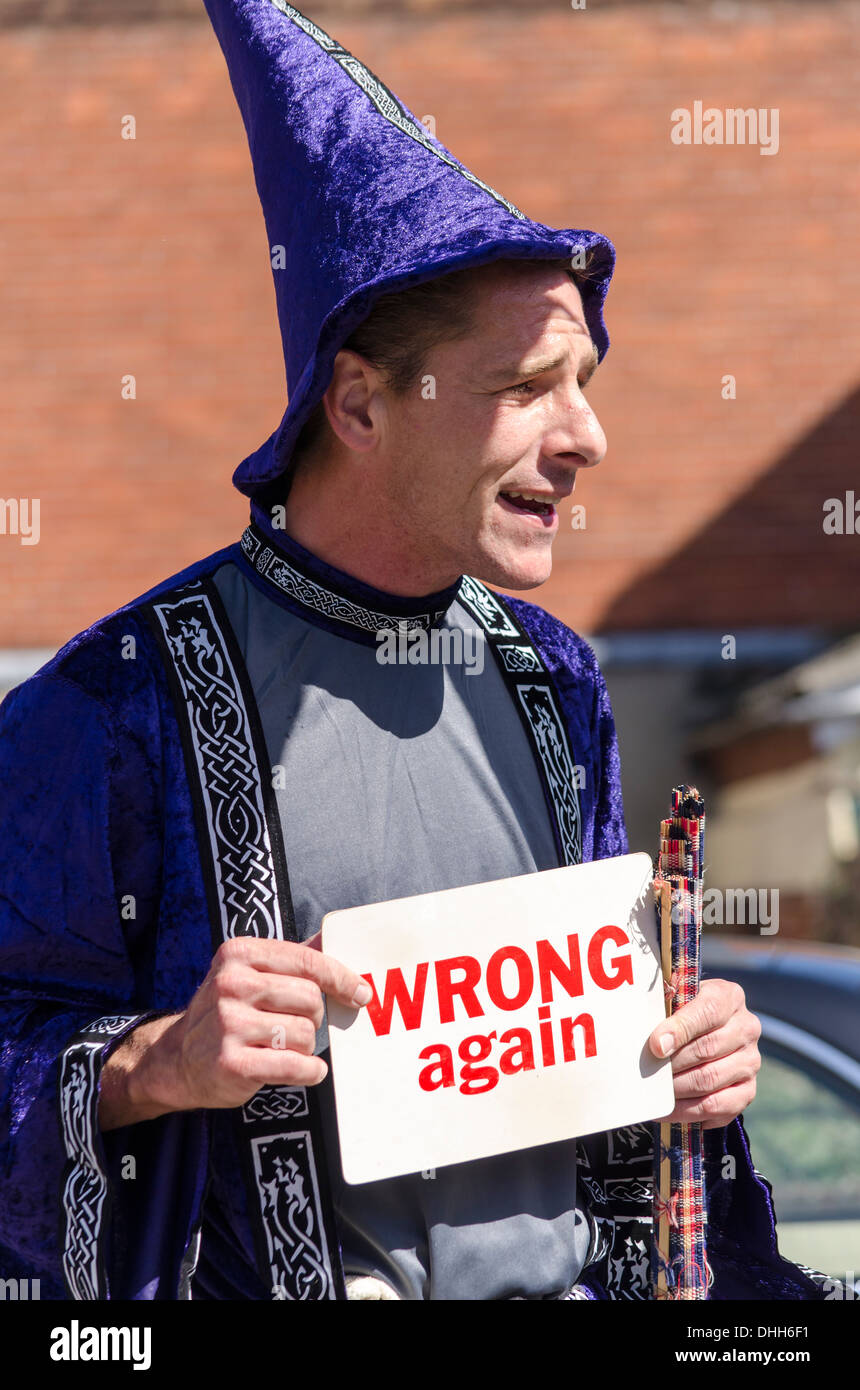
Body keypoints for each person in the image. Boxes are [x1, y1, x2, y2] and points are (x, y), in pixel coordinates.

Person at [0, 0, 831, 1301]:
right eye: (525, 388)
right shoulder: (114, 702)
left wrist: (690, 1063)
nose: (587, 438)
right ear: (360, 403)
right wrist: (152, 1063)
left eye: (588, 383)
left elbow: (593, 1099)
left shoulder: (560, 683)